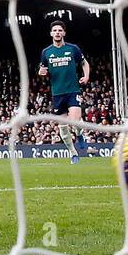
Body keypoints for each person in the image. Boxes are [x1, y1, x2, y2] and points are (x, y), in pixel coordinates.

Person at [38, 21, 89, 163]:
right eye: (55, 30)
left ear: (64, 33)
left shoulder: (73, 49)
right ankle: (73, 153)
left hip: (73, 90)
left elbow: (84, 63)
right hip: (57, 94)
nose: (57, 32)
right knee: (63, 127)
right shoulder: (46, 52)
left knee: (74, 122)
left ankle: (79, 134)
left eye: (60, 30)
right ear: (51, 33)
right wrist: (41, 72)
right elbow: (43, 70)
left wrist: (86, 76)